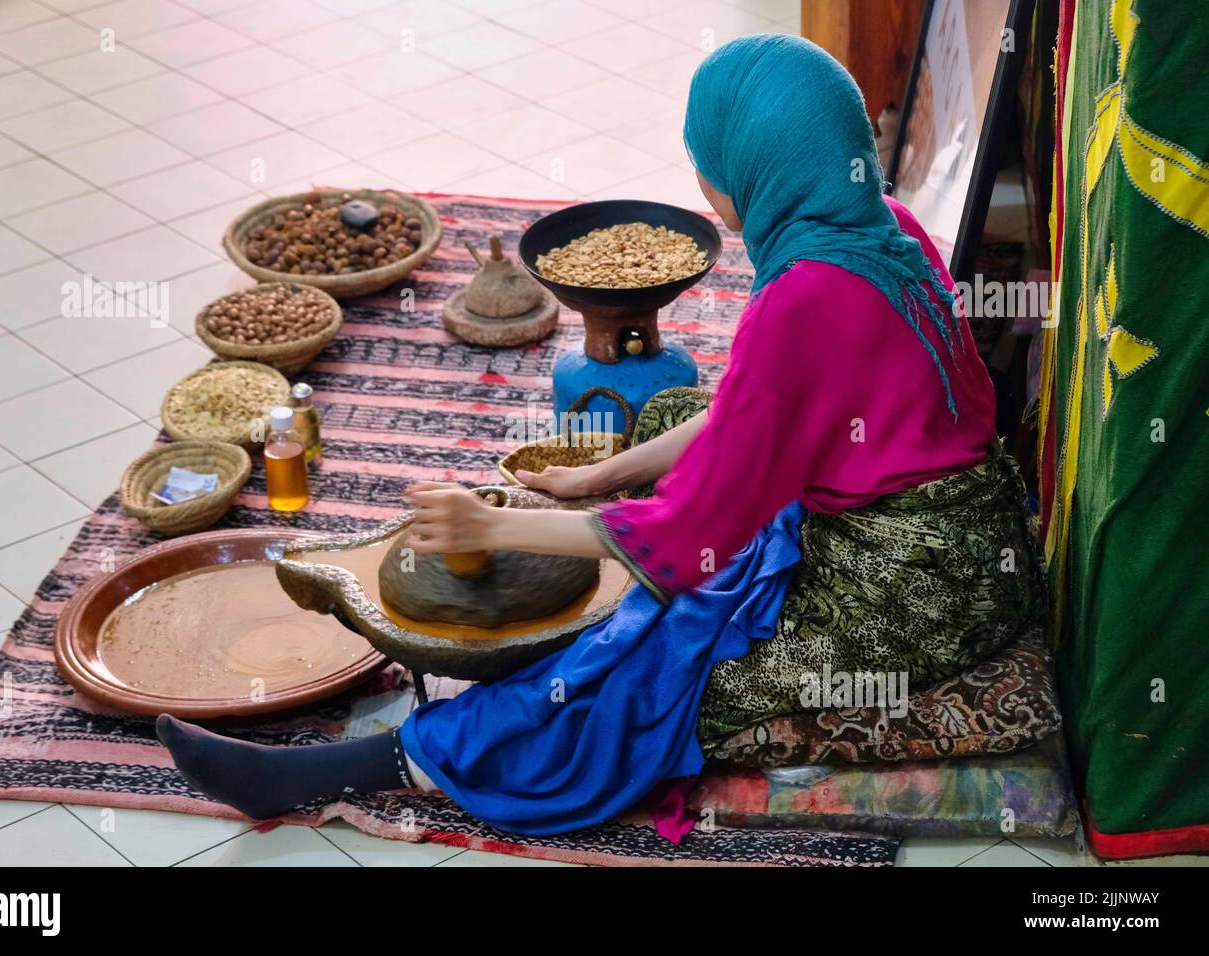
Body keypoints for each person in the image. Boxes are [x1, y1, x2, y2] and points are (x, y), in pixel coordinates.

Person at [157, 34, 1046, 834]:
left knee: (656, 685)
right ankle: (537, 647)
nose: (702, 179)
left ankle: (356, 770)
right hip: (951, 521)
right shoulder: (882, 228)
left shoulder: (806, 297)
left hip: (919, 585)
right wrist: (596, 478)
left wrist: (489, 525)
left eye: (707, 161)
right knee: (664, 422)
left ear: (753, 163)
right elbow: (756, 409)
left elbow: (690, 539)